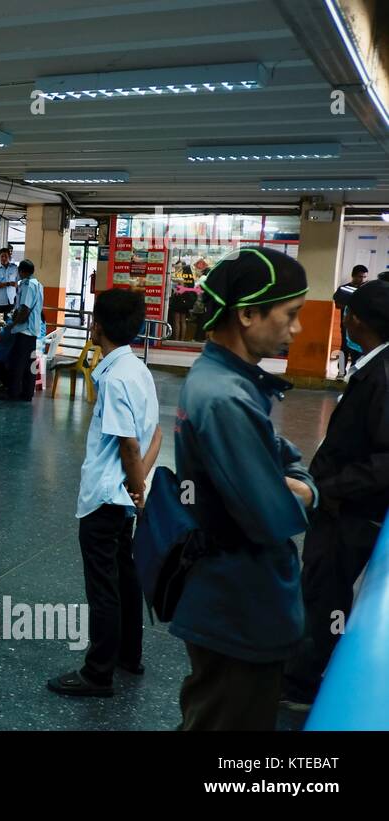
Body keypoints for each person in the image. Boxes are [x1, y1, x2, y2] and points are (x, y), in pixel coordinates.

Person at [171, 246, 317, 731]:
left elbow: (285, 458)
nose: (296, 329)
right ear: (248, 313)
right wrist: (304, 492)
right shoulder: (225, 397)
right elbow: (271, 512)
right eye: (290, 315)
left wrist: (291, 480)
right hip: (238, 606)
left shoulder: (226, 380)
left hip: (230, 597)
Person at [48, 289, 162, 698]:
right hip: (123, 498)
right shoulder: (139, 370)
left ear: (98, 325)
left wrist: (136, 487)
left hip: (104, 499)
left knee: (103, 586)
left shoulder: (115, 379)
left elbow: (129, 445)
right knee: (125, 578)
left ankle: (98, 673)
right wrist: (139, 486)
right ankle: (128, 656)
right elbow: (157, 434)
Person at [282, 280, 389, 709]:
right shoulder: (372, 367)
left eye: (348, 312)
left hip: (350, 513)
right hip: (343, 507)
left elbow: (385, 461)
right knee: (320, 590)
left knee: (326, 593)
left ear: (357, 320)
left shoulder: (381, 377)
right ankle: (302, 670)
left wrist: (324, 490)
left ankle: (302, 686)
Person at [3, 258, 42, 401]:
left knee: (17, 363)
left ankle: (13, 393)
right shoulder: (37, 284)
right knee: (29, 363)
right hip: (33, 330)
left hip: (24, 330)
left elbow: (25, 309)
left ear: (22, 272)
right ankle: (27, 393)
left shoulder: (27, 285)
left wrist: (12, 325)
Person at [333, 265, 367, 377]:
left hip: (361, 326)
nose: (362, 279)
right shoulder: (343, 289)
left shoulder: (366, 290)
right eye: (359, 277)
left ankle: (353, 373)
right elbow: (338, 305)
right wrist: (353, 304)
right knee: (344, 348)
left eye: (364, 277)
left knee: (358, 350)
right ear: (353, 276)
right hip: (346, 325)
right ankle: (341, 372)